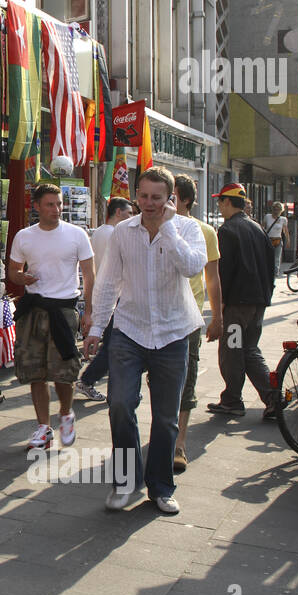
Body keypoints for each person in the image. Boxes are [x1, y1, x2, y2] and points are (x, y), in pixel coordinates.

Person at [86, 166, 207, 515]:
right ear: (136, 195)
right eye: (143, 196)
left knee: (166, 417)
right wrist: (96, 328)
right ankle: (125, 483)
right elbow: (109, 282)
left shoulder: (187, 229)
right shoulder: (123, 232)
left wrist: (167, 229)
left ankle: (161, 487)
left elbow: (191, 267)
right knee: (121, 405)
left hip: (173, 332)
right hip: (130, 329)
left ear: (170, 199)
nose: (149, 204)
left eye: (157, 198)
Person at [7, 183, 95, 450]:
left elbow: (90, 275)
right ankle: (43, 428)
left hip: (64, 309)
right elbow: (13, 271)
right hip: (33, 308)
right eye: (50, 204)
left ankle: (66, 413)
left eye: (58, 204)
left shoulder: (76, 234)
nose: (57, 209)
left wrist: (88, 312)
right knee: (34, 371)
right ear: (36, 207)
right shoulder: (24, 236)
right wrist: (20, 277)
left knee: (63, 372)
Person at [208, 182, 278, 419]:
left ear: (228, 202)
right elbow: (272, 267)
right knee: (248, 348)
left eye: (220, 201)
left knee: (233, 351)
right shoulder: (257, 228)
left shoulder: (227, 231)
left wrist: (221, 306)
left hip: (238, 305)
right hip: (258, 303)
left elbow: (223, 273)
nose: (219, 206)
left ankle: (235, 399)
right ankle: (269, 397)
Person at [172, 175, 222, 472]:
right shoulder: (149, 226)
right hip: (155, 318)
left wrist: (217, 317)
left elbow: (212, 278)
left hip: (189, 318)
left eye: (171, 196)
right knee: (160, 381)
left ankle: (179, 442)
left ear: (185, 199)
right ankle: (166, 432)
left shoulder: (204, 231)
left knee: (187, 380)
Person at [73, 197, 136, 403]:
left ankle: (115, 385)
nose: (131, 217)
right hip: (114, 295)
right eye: (129, 213)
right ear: (118, 212)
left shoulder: (99, 232)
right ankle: (89, 380)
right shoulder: (117, 234)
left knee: (112, 343)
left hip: (104, 292)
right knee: (113, 344)